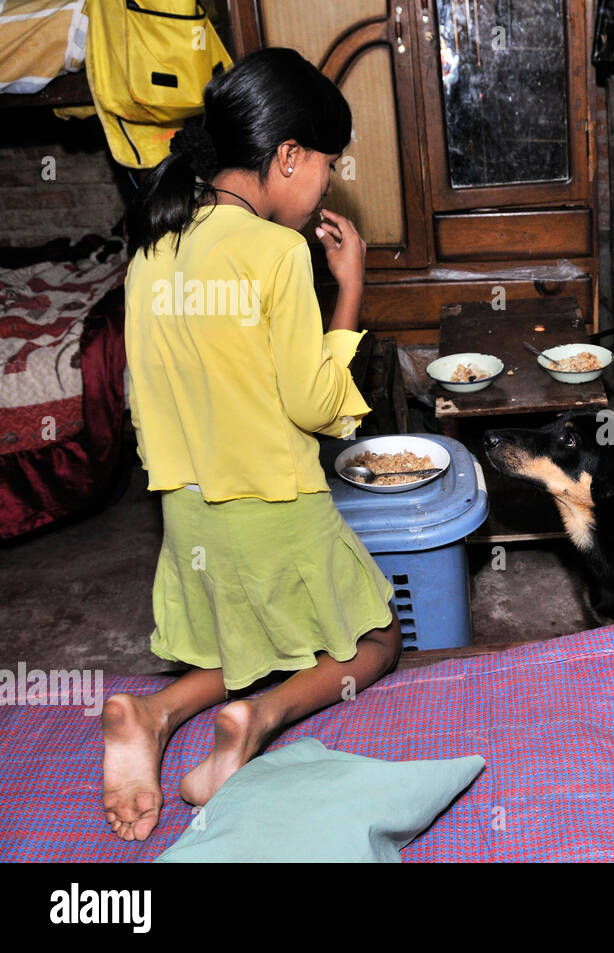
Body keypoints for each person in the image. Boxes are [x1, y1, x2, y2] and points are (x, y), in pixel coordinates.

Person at [102, 47, 402, 842]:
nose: (327, 187)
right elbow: (317, 409)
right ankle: (258, 718)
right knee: (374, 636)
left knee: (258, 638)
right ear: (287, 156)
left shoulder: (155, 250)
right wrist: (350, 290)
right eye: (326, 168)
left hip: (189, 514)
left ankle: (155, 712)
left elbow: (144, 396)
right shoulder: (274, 253)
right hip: (275, 504)